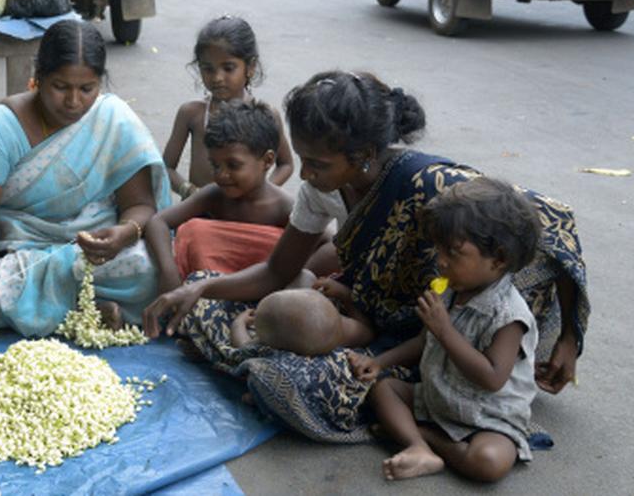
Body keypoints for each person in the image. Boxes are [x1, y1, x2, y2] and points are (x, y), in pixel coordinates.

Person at [142, 71, 589, 443]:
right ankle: (261, 360)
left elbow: (555, 225)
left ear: (365, 155)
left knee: (292, 381)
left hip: (436, 339)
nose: (306, 175)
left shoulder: (431, 183)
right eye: (301, 159)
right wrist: (198, 286)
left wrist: (569, 337)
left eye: (317, 163)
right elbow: (279, 269)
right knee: (208, 299)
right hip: (371, 321)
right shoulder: (321, 192)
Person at [0, 20, 172, 336]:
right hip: (10, 251)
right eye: (60, 87)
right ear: (38, 76)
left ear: (100, 84)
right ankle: (82, 311)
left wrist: (124, 234)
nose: (74, 102)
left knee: (148, 265)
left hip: (87, 257)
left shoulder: (113, 119)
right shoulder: (0, 128)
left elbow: (141, 204)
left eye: (86, 89)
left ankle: (46, 312)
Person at [349, 177, 541, 482]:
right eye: (438, 250)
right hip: (441, 397)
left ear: (499, 259)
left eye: (453, 253)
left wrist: (445, 330)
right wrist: (380, 362)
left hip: (487, 415)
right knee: (383, 389)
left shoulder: (509, 316)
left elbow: (492, 377)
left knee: (488, 463)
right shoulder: (450, 289)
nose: (440, 261)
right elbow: (425, 342)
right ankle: (418, 447)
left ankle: (426, 438)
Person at [145, 100, 293, 294]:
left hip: (259, 293)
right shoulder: (215, 195)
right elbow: (157, 222)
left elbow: (324, 243)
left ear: (267, 160)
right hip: (206, 290)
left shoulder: (283, 207)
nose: (221, 175)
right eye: (215, 165)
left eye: (233, 165)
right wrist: (168, 270)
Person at [162, 16, 294, 200]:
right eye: (208, 69)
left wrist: (260, 192)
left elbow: (285, 164)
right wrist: (190, 192)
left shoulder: (267, 116)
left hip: (248, 213)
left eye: (228, 68)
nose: (217, 77)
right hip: (202, 212)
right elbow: (166, 168)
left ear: (251, 67)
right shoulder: (191, 114)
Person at [230, 289, 356, 356]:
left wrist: (239, 322)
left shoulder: (267, 352)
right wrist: (345, 295)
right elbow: (368, 332)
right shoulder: (338, 333)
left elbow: (243, 346)